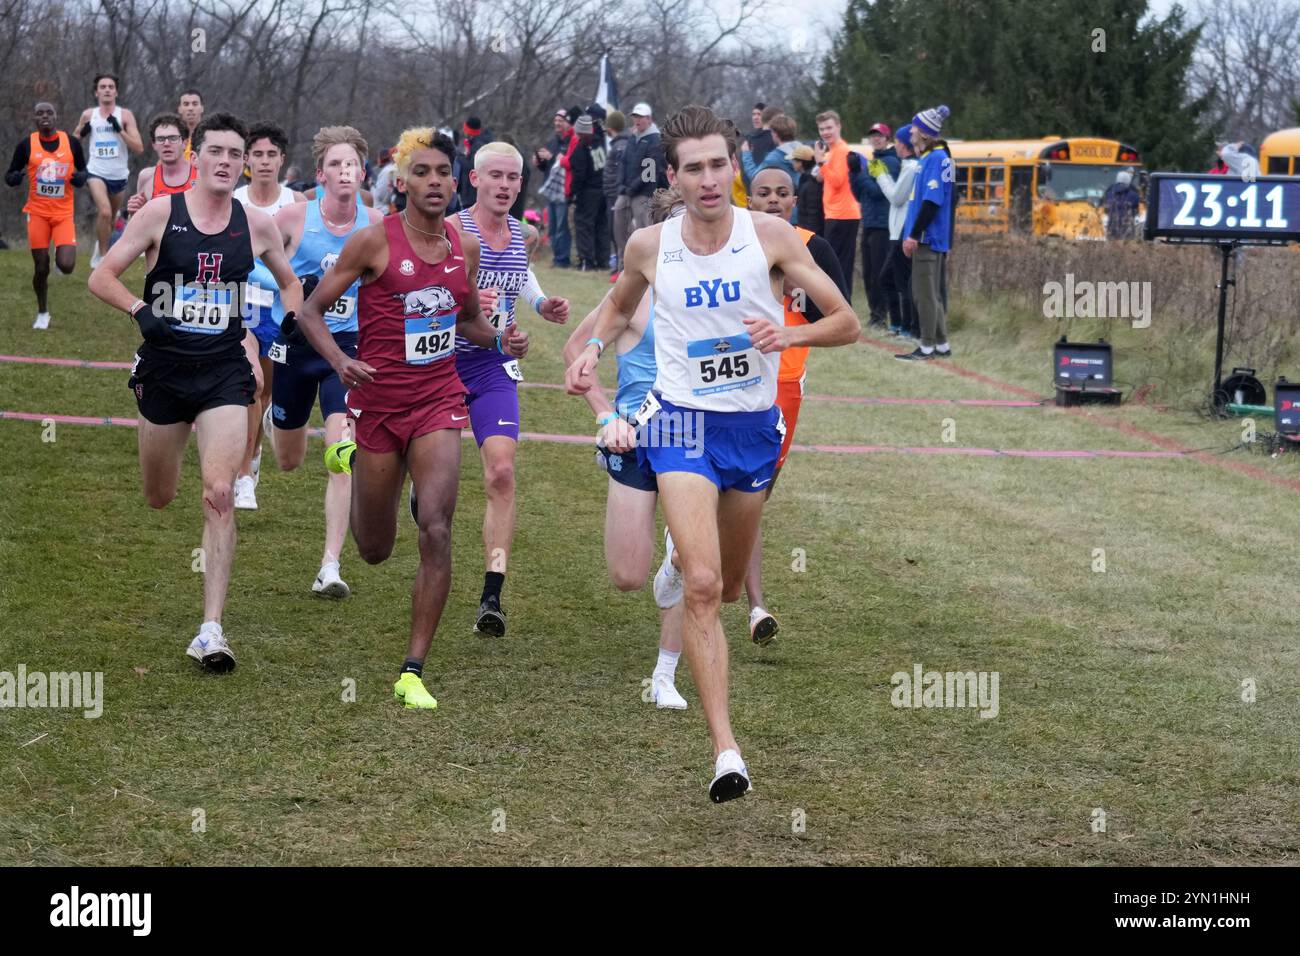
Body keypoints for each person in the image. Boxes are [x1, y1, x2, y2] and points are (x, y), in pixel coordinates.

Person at [566, 105, 860, 802]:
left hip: (752, 429)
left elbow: (846, 322)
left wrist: (785, 338)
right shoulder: (650, 245)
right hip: (680, 424)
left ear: (736, 168)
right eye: (693, 167)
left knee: (727, 587)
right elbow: (614, 307)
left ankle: (682, 556)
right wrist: (594, 351)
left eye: (718, 164)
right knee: (703, 591)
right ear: (673, 175)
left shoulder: (772, 236)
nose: (706, 179)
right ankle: (727, 751)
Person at [311, 127, 528, 710]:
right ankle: (354, 461)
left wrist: (502, 340)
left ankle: (413, 668)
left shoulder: (466, 248)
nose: (434, 183)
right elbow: (310, 312)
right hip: (379, 405)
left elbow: (470, 323)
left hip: (438, 401)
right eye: (422, 173)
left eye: (442, 174)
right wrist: (339, 359)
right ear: (401, 181)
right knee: (375, 549)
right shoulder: (371, 242)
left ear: (455, 183)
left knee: (436, 527)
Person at [87, 112, 303, 672]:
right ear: (196, 154)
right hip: (163, 371)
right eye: (217, 152)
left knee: (218, 493)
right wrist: (140, 310)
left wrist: (292, 318)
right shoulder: (163, 212)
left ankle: (211, 630)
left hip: (224, 372)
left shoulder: (256, 225)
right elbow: (101, 276)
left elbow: (288, 280)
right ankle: (167, 459)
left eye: (236, 154)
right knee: (159, 495)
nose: (228, 162)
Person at [561, 185, 690, 708]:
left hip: (693, 438)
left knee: (692, 559)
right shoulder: (638, 295)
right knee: (628, 575)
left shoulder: (720, 293)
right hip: (635, 438)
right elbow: (576, 349)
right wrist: (606, 416)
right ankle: (668, 560)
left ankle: (664, 676)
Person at [443, 141, 569, 635]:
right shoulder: (454, 229)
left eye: (513, 178)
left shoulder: (524, 232)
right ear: (474, 180)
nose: (505, 185)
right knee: (440, 485)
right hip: (444, 361)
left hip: (495, 364)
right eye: (494, 175)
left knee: (500, 472)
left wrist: (539, 306)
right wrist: (467, 299)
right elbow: (424, 289)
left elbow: (522, 274)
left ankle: (491, 595)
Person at [260, 126, 382, 593]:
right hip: (293, 346)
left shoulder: (375, 222)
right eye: (335, 164)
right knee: (289, 460)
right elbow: (255, 263)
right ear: (321, 174)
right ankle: (277, 419)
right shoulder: (293, 217)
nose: (344, 171)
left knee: (340, 455)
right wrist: (293, 284)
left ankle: (330, 566)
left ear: (362, 171)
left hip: (346, 348)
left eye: (351, 163)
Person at [742, 166, 848, 642]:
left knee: (755, 496)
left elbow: (839, 317)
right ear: (750, 200)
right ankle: (756, 606)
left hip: (783, 386)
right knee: (736, 492)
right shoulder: (734, 241)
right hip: (729, 381)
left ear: (793, 202)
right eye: (763, 193)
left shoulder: (813, 248)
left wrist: (790, 312)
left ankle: (704, 566)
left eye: (782, 193)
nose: (773, 200)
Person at [6, 102, 88, 330]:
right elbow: (10, 173)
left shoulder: (71, 143)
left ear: (56, 116)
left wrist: (80, 178)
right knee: (41, 268)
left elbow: (83, 170)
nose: (45, 117)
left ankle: (59, 257)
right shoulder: (26, 145)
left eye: (49, 113)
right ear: (34, 119)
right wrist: (14, 178)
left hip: (63, 214)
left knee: (67, 265)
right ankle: (42, 312)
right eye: (39, 113)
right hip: (38, 214)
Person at [897, 105, 954, 361]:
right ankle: (941, 345)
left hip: (927, 238)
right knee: (931, 292)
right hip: (932, 236)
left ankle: (927, 346)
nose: (911, 132)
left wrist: (914, 234)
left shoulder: (935, 159)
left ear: (925, 132)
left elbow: (932, 202)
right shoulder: (935, 157)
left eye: (915, 127)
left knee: (924, 294)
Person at [77, 73, 144, 268]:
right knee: (104, 212)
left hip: (118, 174)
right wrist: (83, 132)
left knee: (112, 219)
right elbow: (73, 140)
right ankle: (104, 258)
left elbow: (139, 147)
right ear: (96, 92)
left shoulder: (125, 115)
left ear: (116, 91)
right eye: (103, 86)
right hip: (96, 171)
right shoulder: (89, 115)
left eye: (111, 87)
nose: (107, 90)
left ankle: (100, 246)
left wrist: (120, 131)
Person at [871, 124, 921, 338]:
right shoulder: (906, 165)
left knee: (902, 281)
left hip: (901, 231)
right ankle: (898, 324)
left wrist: (881, 176)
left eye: (899, 142)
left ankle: (908, 328)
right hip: (895, 231)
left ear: (904, 144)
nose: (897, 146)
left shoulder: (911, 167)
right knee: (887, 279)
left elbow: (896, 197)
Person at [813, 109, 861, 303]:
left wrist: (821, 163)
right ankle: (841, 305)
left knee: (838, 266)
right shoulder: (832, 151)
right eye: (822, 129)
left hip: (843, 215)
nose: (826, 132)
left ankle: (843, 306)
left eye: (829, 127)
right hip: (836, 213)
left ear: (839, 126)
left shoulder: (841, 151)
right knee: (836, 265)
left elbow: (838, 180)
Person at [855, 122, 898, 329]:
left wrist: (862, 175)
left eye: (879, 136)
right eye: (873, 136)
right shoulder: (873, 163)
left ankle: (881, 315)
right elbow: (860, 194)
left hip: (883, 224)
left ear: (887, 138)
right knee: (869, 272)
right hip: (869, 222)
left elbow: (878, 192)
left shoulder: (891, 161)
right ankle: (875, 314)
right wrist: (854, 174)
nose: (876, 139)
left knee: (880, 272)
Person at [125, 114, 198, 213]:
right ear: (154, 145)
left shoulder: (200, 175)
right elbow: (136, 224)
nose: (166, 143)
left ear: (185, 143)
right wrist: (134, 213)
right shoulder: (146, 177)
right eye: (161, 139)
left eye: (173, 138)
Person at [533, 107, 574, 267]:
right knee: (553, 227)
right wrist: (540, 162)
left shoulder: (571, 141)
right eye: (556, 120)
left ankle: (563, 259)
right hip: (551, 191)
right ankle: (556, 258)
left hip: (563, 191)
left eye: (561, 121)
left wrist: (550, 158)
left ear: (567, 122)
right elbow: (549, 167)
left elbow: (566, 164)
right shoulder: (552, 141)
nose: (557, 124)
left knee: (562, 226)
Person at [569, 113, 610, 271]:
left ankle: (587, 261)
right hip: (604, 190)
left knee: (584, 225)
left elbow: (579, 175)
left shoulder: (581, 149)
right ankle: (603, 261)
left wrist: (572, 193)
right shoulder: (601, 142)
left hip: (588, 192)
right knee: (602, 226)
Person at [625, 103, 667, 230]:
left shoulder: (655, 139)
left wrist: (633, 188)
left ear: (649, 119)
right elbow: (624, 162)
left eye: (640, 117)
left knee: (646, 228)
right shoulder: (633, 138)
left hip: (646, 192)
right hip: (633, 191)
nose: (637, 120)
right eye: (635, 117)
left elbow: (650, 170)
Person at [604, 109, 633, 279]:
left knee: (618, 232)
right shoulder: (617, 143)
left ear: (611, 127)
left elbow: (619, 172)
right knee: (614, 231)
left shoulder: (620, 145)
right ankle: (618, 266)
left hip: (616, 194)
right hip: (612, 193)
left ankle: (622, 268)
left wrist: (616, 192)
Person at [739, 113, 798, 188]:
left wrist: (746, 154)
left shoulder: (773, 159)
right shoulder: (802, 150)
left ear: (775, 134)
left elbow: (755, 177)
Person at [456, 115, 492, 209]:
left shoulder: (478, 145)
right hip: (469, 194)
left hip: (472, 195)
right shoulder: (473, 143)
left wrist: (459, 156)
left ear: (468, 130)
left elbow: (472, 167)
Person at [742, 105, 781, 185]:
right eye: (753, 114)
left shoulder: (773, 140)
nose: (755, 117)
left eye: (759, 114)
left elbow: (758, 175)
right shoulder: (750, 139)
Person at [792, 144, 824, 235]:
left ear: (801, 162)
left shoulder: (811, 183)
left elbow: (814, 213)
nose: (792, 163)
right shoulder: (805, 178)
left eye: (794, 160)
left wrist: (810, 236)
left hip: (810, 233)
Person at [1101, 169, 1141, 241]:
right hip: (1127, 228)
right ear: (1128, 181)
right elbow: (1137, 210)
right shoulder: (1133, 195)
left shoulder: (1109, 193)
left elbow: (1106, 209)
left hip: (1112, 228)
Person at [178, 89, 204, 160]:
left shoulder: (210, 136)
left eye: (195, 104)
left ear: (202, 108)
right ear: (179, 109)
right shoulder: (173, 139)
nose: (190, 108)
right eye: (186, 104)